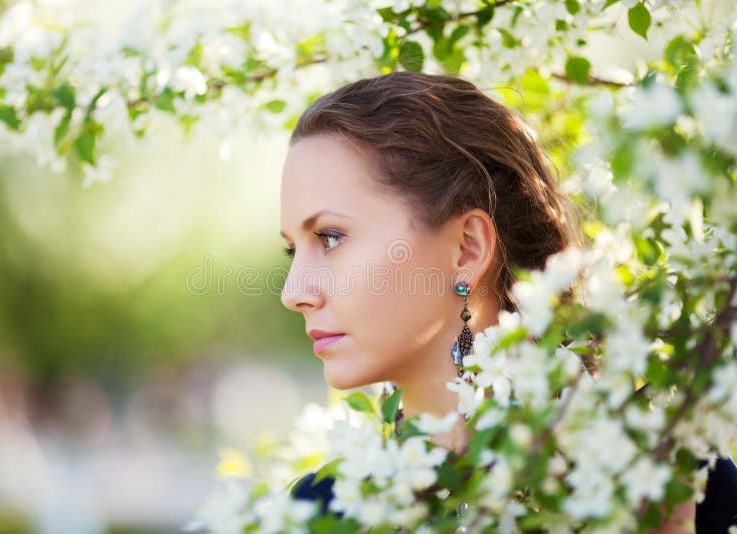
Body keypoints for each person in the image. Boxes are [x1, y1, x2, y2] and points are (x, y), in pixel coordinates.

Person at [277, 71, 737, 532]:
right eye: (293, 250)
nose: (293, 293)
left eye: (330, 238)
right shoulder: (318, 512)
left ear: (467, 249)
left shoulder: (675, 483)